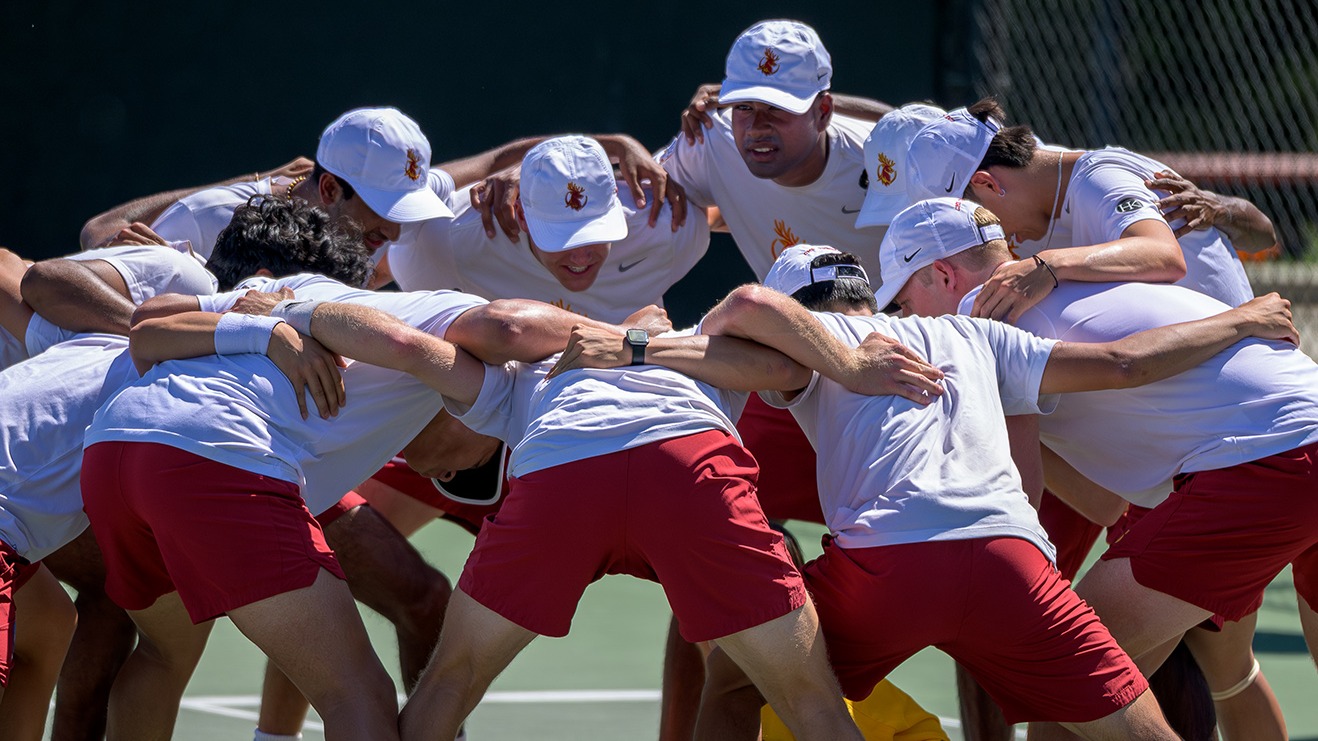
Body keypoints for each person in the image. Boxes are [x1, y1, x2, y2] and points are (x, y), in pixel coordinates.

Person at [555, 242, 1296, 738]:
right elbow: (1125, 363)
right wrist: (1243, 319)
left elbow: (749, 303)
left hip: (886, 565)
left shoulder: (805, 352)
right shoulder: (972, 335)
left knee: (735, 683)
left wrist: (641, 341)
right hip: (1016, 565)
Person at [876, 196, 1318, 740]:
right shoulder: (1067, 279)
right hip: (1279, 447)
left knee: (1061, 674)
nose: (906, 321)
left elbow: (1031, 485)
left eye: (901, 303)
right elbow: (1102, 503)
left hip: (1265, 463)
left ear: (941, 274)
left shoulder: (976, 322)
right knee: (1088, 700)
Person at [0, 196, 372, 740]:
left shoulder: (101, 337)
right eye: (322, 311)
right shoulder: (212, 352)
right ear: (270, 291)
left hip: (18, 537)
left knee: (49, 627)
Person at [903, 99, 1276, 322]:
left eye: (977, 217)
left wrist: (1048, 265)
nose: (994, 235)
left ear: (987, 184)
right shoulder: (1064, 194)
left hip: (1248, 405)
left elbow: (1163, 255)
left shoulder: (1097, 180)